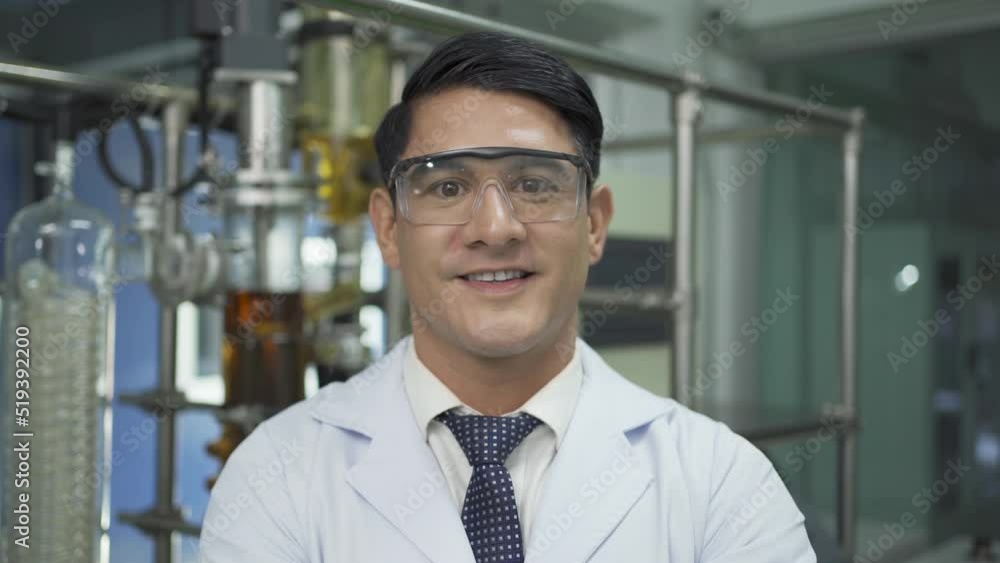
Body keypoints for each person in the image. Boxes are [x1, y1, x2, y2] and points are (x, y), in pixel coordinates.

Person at [199, 31, 817, 563]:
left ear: (594, 224)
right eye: (447, 187)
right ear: (388, 228)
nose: (495, 229)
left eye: (534, 184)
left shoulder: (724, 486)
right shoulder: (276, 476)